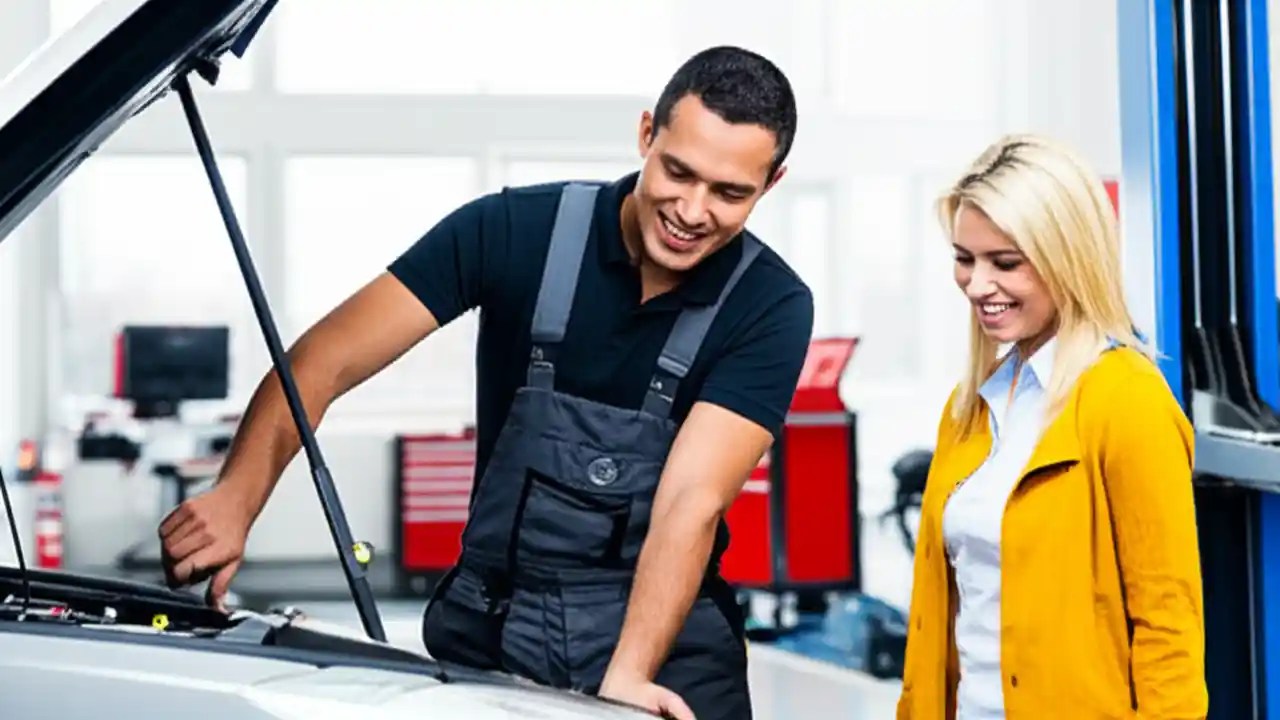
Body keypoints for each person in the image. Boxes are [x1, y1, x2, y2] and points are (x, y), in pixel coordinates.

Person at [157, 45, 813, 720]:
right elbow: (322, 361)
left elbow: (690, 502)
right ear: (647, 133)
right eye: (679, 172)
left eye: (730, 192)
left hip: (666, 654)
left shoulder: (770, 305)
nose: (693, 210)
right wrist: (237, 495)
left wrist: (629, 678)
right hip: (497, 634)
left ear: (771, 183)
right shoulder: (511, 232)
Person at [896, 134, 1208, 719]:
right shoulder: (969, 409)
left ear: (1068, 257)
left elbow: (1168, 624)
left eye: (1005, 263)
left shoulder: (1127, 400)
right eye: (965, 258)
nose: (977, 284)